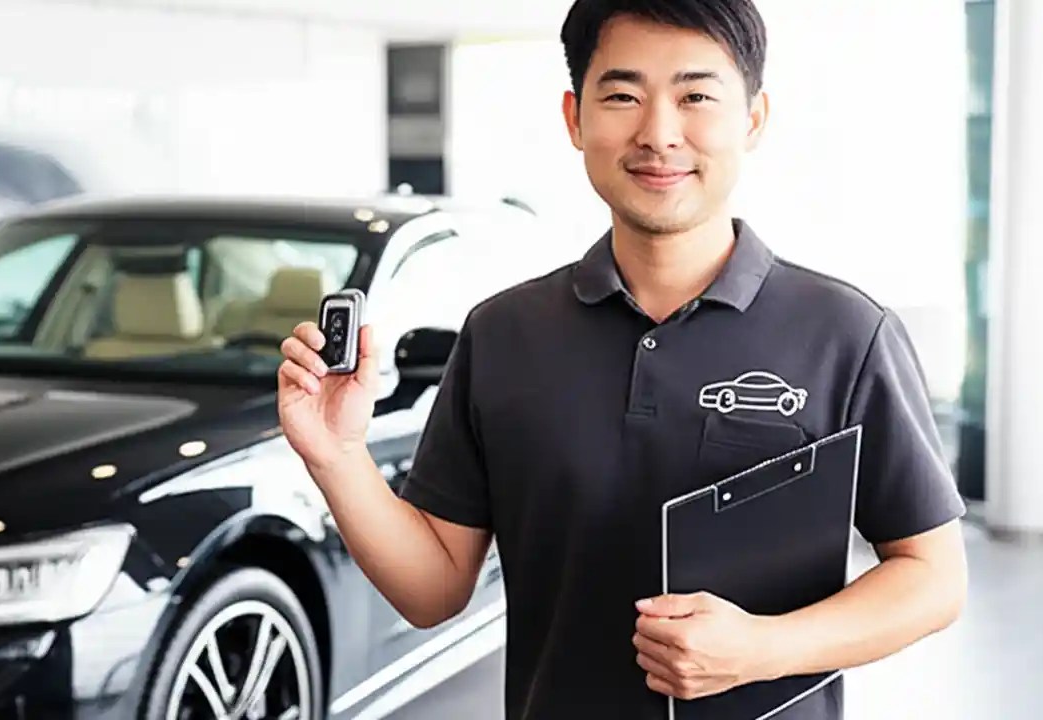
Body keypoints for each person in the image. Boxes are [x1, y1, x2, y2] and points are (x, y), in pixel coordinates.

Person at [276, 0, 969, 717]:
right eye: (623, 96)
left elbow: (933, 578)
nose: (659, 133)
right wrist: (338, 455)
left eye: (696, 96)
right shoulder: (503, 334)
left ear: (753, 118)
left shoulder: (845, 333)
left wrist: (765, 647)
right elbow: (433, 590)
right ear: (576, 118)